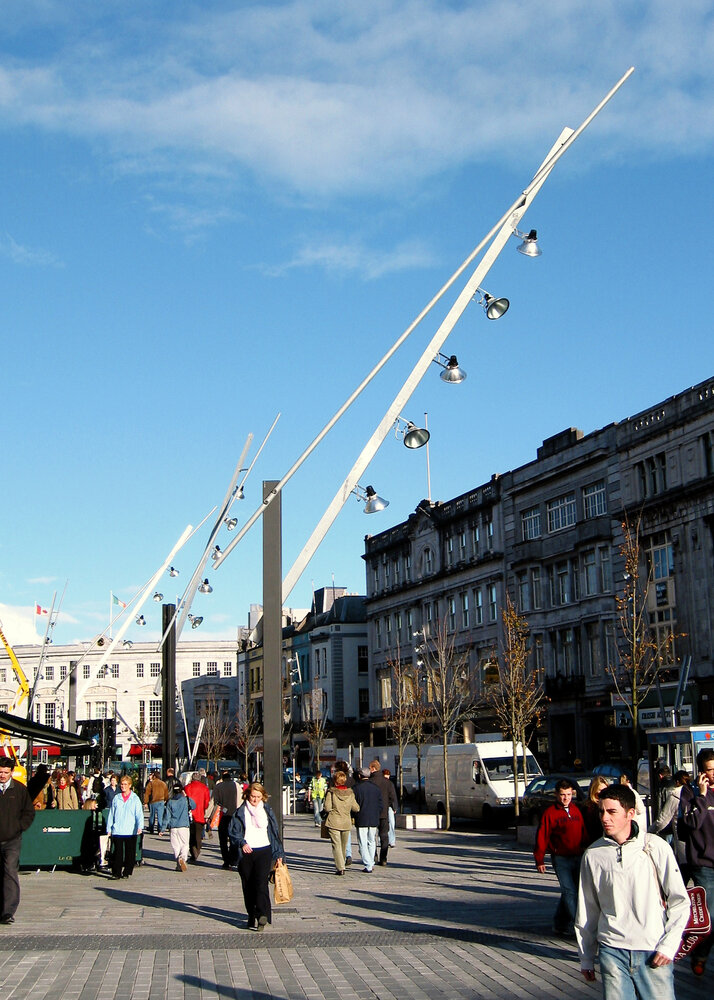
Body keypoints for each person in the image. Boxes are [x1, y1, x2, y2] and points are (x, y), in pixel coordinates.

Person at [576, 783, 690, 999]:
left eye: (612, 812)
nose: (605, 818)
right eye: (602, 811)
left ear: (630, 813)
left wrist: (669, 944)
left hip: (652, 950)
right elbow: (587, 910)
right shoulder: (593, 855)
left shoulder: (654, 847)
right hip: (612, 950)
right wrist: (586, 957)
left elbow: (680, 901)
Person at [534, 779, 588, 937]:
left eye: (569, 794)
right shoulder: (551, 813)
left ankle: (559, 923)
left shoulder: (576, 810)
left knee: (574, 891)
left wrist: (586, 847)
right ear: (557, 795)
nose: (566, 798)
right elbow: (542, 836)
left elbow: (583, 831)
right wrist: (540, 859)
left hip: (577, 856)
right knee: (569, 891)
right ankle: (580, 925)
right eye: (563, 795)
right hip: (561, 858)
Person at [228, 782, 285, 931]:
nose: (255, 800)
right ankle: (251, 914)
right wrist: (242, 843)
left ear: (263, 797)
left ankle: (262, 915)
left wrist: (278, 854)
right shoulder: (241, 811)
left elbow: (274, 832)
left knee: (261, 883)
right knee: (248, 885)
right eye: (253, 796)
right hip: (246, 852)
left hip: (264, 850)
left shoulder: (266, 810)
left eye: (258, 797)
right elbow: (233, 830)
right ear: (248, 795)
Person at [679, 747, 714, 977]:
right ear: (701, 772)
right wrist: (701, 796)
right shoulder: (690, 793)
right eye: (710, 770)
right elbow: (691, 823)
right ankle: (699, 954)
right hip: (704, 864)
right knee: (709, 916)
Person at [0, 755, 35, 924]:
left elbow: (29, 812)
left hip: (12, 839)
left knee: (10, 872)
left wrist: (19, 827)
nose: (2, 775)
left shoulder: (20, 790)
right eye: (0, 772)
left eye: (6, 772)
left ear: (12, 772)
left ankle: (8, 911)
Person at [106, 775, 144, 880]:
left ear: (130, 785)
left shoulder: (135, 799)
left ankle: (127, 871)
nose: (123, 786)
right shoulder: (116, 798)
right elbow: (111, 814)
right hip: (118, 829)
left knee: (130, 853)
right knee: (117, 852)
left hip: (130, 830)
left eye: (125, 784)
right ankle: (116, 872)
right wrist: (109, 828)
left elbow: (139, 814)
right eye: (122, 784)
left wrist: (140, 826)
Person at [323, 771, 359, 875]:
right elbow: (356, 808)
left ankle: (340, 867)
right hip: (346, 822)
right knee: (343, 845)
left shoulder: (331, 792)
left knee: (336, 845)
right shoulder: (350, 793)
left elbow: (327, 807)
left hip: (334, 821)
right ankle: (342, 864)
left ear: (335, 781)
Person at [161, 779, 195, 872]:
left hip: (173, 827)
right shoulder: (186, 799)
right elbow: (194, 805)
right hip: (184, 825)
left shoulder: (170, 802)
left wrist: (163, 828)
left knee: (176, 846)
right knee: (185, 844)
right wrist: (186, 796)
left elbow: (167, 816)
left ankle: (178, 864)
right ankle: (182, 858)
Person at [353, 767, 382, 873]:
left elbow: (354, 804)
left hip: (361, 818)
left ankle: (368, 864)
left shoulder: (356, 788)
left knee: (362, 842)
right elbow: (380, 804)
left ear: (360, 776)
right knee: (372, 841)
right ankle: (371, 862)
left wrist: (354, 815)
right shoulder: (376, 788)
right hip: (373, 818)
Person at [368, 759, 397, 866]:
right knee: (384, 836)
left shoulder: (370, 782)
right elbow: (392, 797)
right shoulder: (388, 783)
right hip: (384, 812)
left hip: (371, 812)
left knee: (371, 836)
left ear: (373, 768)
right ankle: (383, 858)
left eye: (370, 768)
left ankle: (373, 855)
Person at [212, 770, 240, 868]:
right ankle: (233, 859)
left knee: (223, 840)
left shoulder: (218, 787)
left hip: (223, 816)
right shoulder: (236, 786)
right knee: (234, 838)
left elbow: (215, 802)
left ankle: (226, 860)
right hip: (235, 815)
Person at [183, 771, 211, 862]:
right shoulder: (204, 788)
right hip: (200, 814)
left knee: (191, 834)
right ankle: (197, 849)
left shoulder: (187, 787)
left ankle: (193, 851)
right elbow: (207, 802)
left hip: (189, 814)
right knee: (198, 834)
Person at [581, 776, 609, 846]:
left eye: (605, 791)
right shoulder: (589, 808)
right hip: (593, 843)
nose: (603, 794)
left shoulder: (608, 806)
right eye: (600, 791)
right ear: (594, 791)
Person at [382, 768, 397, 848]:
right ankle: (389, 840)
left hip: (389, 806)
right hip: (387, 806)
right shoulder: (389, 784)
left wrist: (394, 807)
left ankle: (391, 840)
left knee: (391, 823)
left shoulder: (390, 784)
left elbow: (393, 796)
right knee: (387, 823)